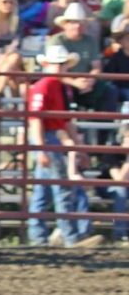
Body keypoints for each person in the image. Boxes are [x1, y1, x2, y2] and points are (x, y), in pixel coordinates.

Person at [25, 44, 105, 248]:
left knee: (44, 189)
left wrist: (79, 148)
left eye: (62, 65)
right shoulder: (46, 86)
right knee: (61, 188)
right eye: (56, 64)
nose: (60, 68)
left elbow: (65, 121)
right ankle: (69, 237)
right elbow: (36, 119)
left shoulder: (57, 87)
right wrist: (42, 148)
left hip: (52, 137)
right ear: (46, 64)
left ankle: (38, 236)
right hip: (49, 138)